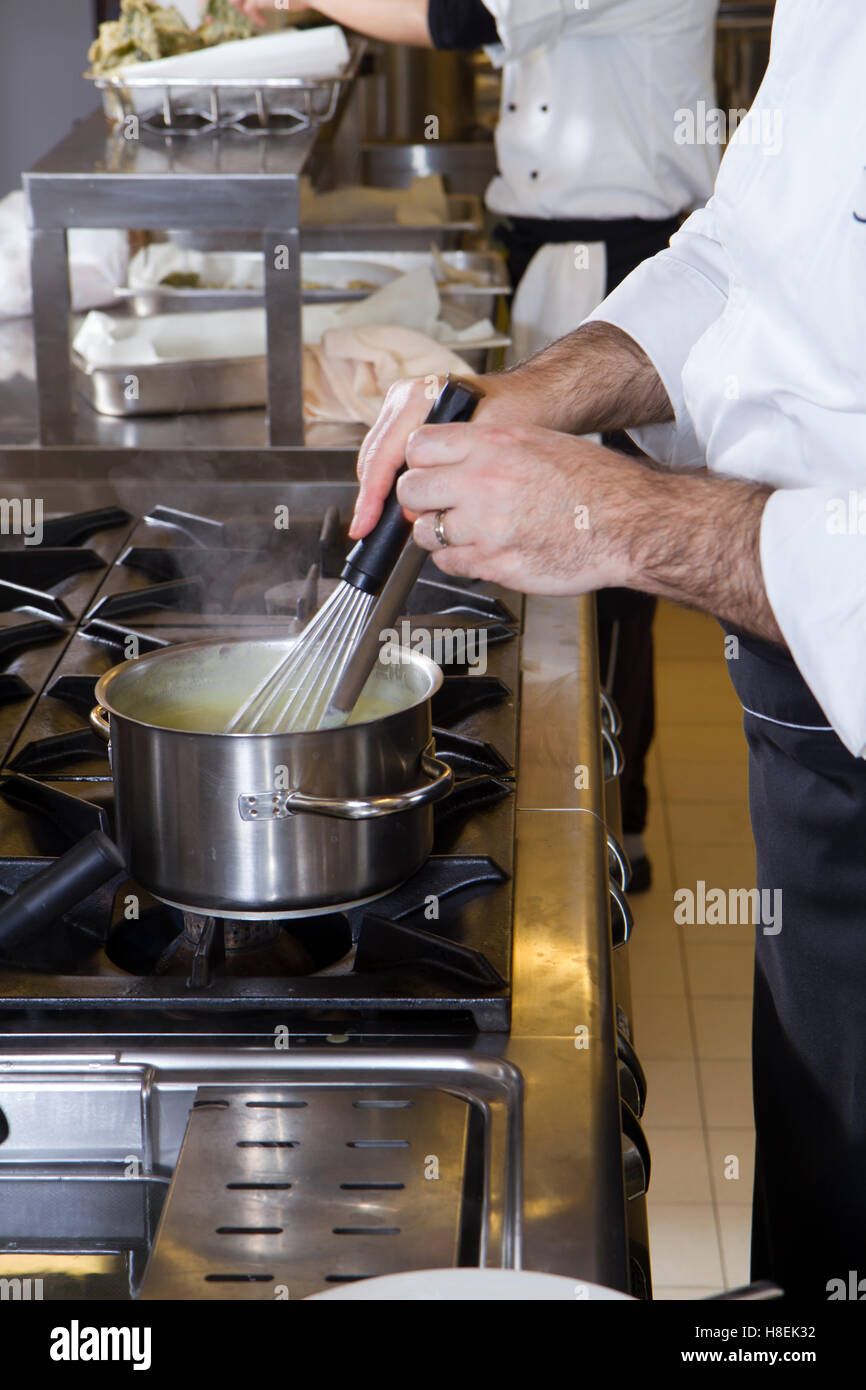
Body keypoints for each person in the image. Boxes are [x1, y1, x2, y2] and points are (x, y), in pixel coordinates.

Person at [350, 0, 866, 1303]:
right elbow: (739, 257)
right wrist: (534, 394)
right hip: (808, 717)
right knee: (823, 1215)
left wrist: (614, 517)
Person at [232, 0, 721, 890]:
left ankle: (620, 823)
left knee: (601, 580)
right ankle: (604, 800)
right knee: (577, 578)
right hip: (557, 264)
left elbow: (453, 16)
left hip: (626, 272)